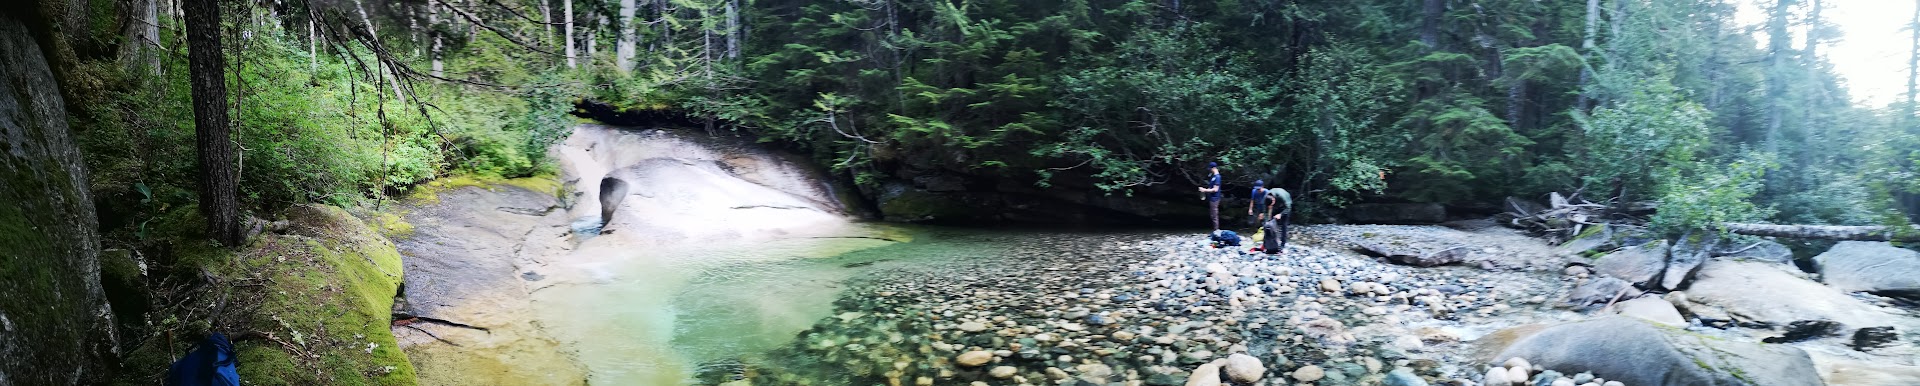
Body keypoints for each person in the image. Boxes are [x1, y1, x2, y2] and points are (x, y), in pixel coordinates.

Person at [1262, 186, 1293, 255]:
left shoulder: (1282, 196)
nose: (1270, 207)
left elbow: (1288, 208)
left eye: (1271, 205)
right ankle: (1267, 243)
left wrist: (1280, 214)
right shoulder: (1266, 197)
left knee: (1284, 225)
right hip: (1275, 207)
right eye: (1269, 206)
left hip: (1285, 206)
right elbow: (1265, 210)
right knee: (1268, 225)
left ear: (1273, 200)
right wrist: (1266, 220)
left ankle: (1282, 245)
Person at [1196, 162, 1223, 230]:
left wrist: (1204, 190)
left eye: (1210, 168)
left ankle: (1216, 231)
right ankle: (1215, 230)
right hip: (1212, 198)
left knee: (1214, 215)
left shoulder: (1217, 177)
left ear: (1213, 168)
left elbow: (1215, 189)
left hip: (1215, 198)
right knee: (1212, 215)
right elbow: (1211, 187)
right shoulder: (1213, 177)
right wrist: (1205, 190)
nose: (1210, 170)